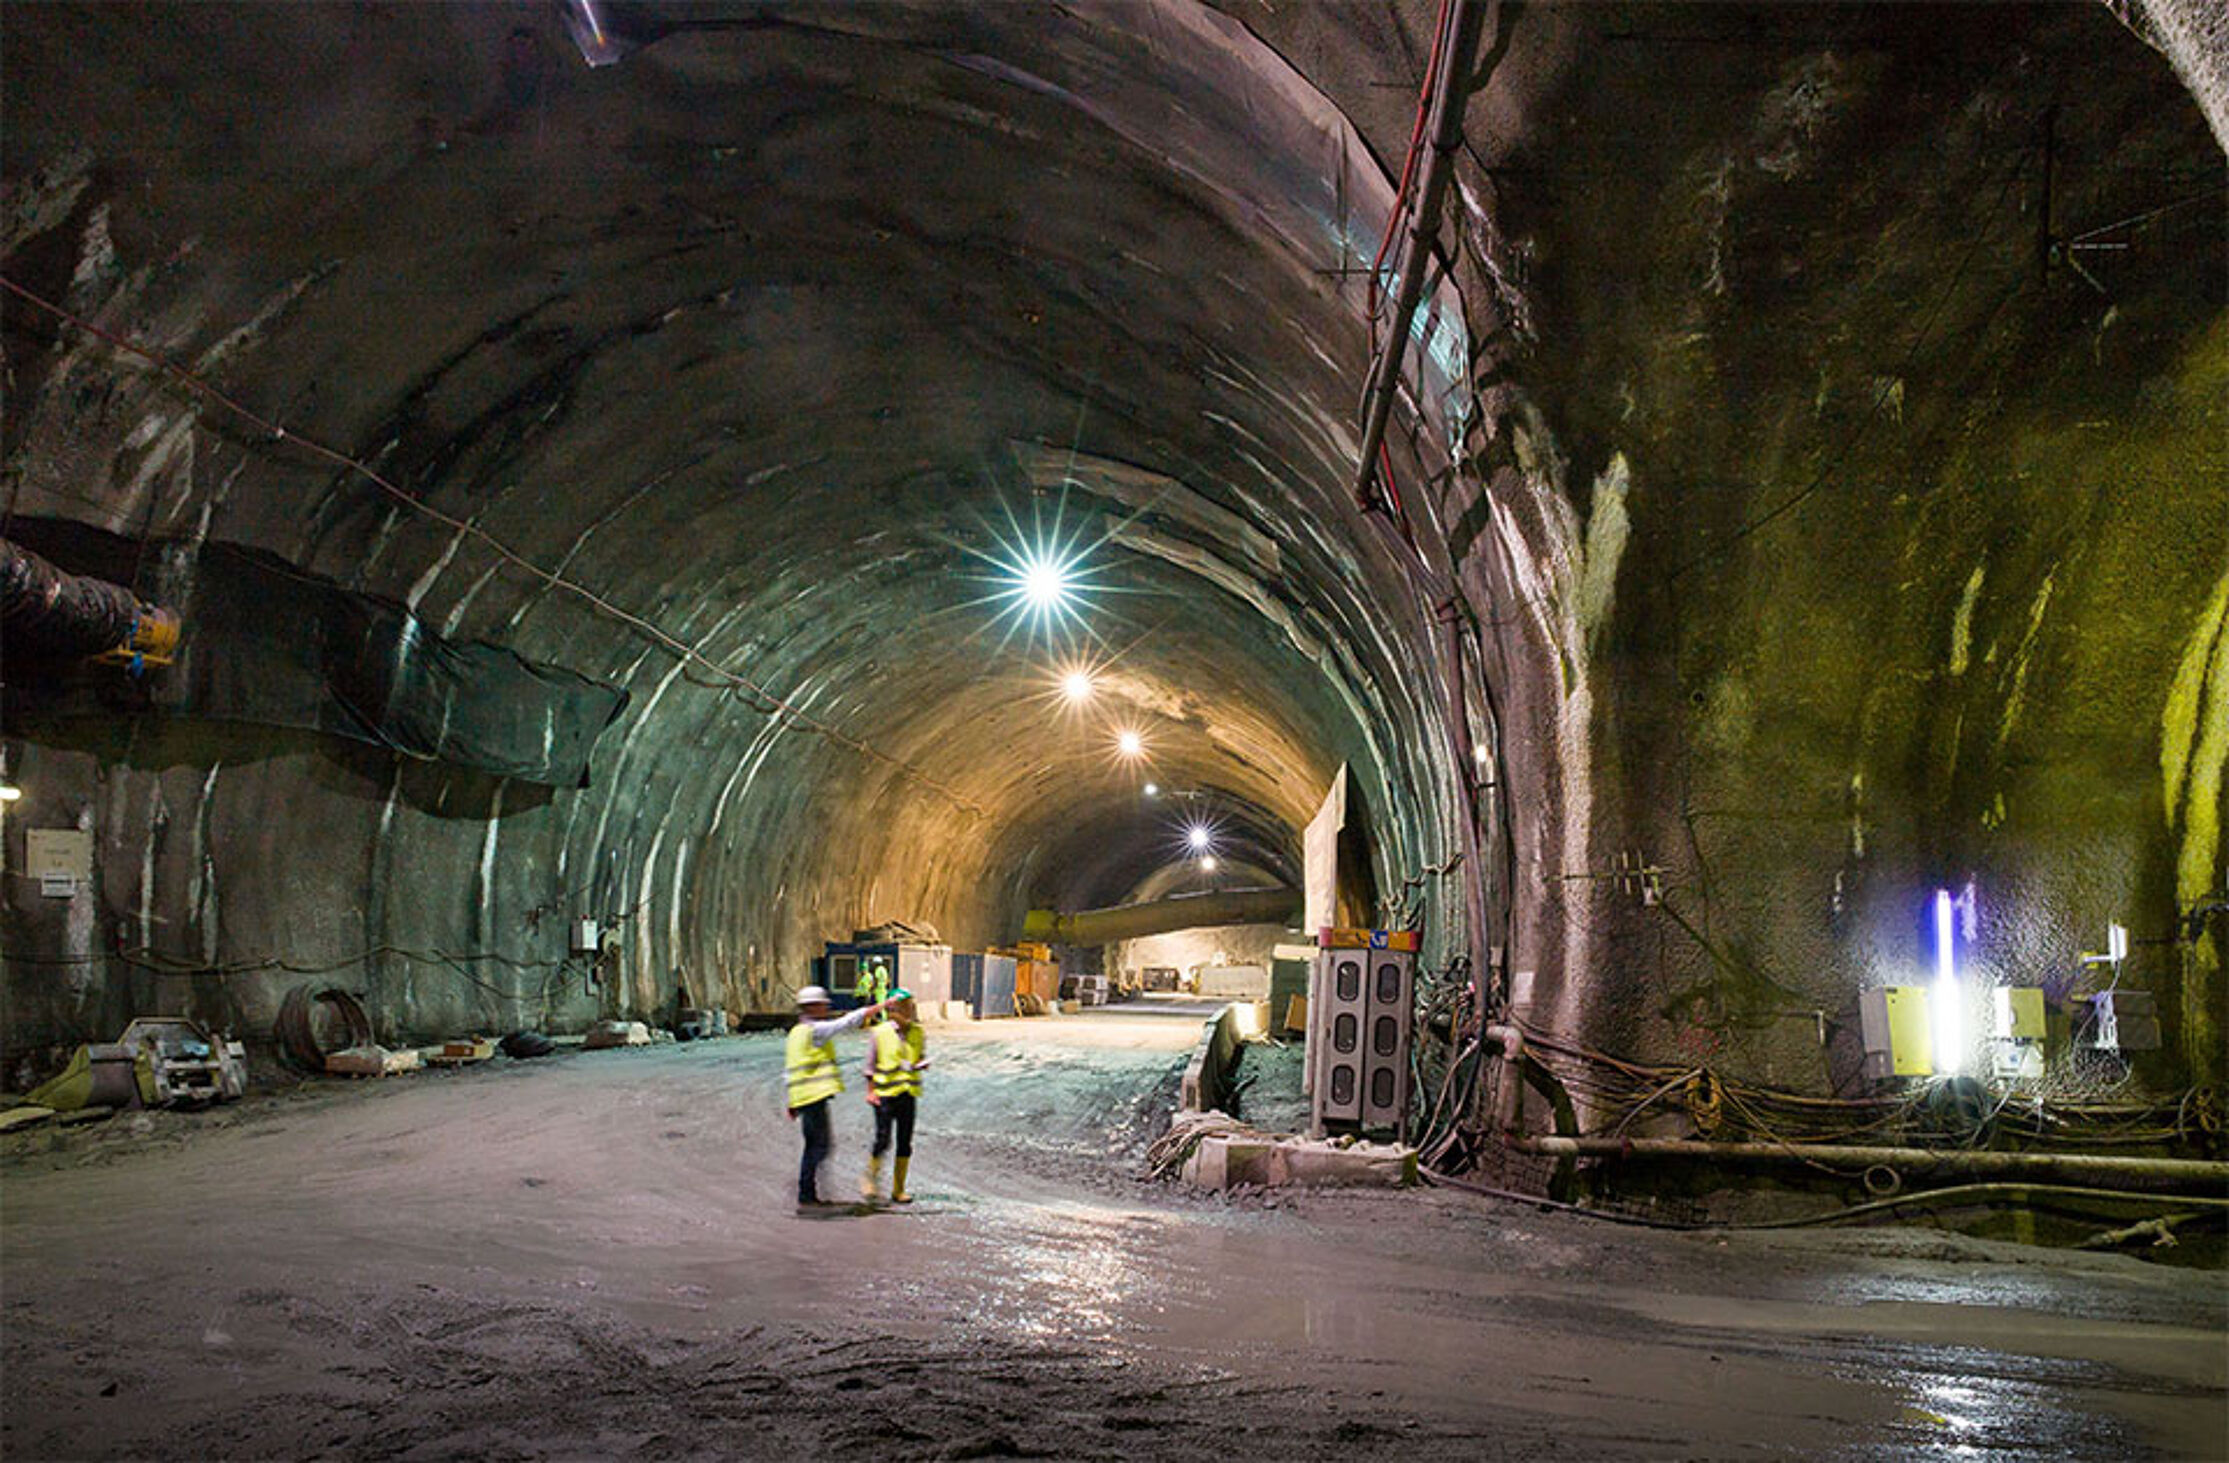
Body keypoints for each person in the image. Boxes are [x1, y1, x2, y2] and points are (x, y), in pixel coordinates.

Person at [787, 984, 891, 1213]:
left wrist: (792, 1102)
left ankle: (808, 1192)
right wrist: (879, 1007)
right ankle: (807, 1194)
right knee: (818, 1147)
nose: (826, 1009)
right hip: (813, 1098)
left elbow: (790, 1070)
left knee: (815, 1146)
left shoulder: (796, 1033)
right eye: (823, 1005)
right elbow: (846, 1022)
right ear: (812, 1007)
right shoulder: (815, 1030)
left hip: (804, 1098)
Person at [861, 990, 929, 1204]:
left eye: (911, 1006)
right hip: (884, 1095)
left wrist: (920, 1063)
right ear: (892, 1010)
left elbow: (918, 1056)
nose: (909, 1010)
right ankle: (870, 1179)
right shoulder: (879, 1033)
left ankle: (898, 1189)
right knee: (883, 1139)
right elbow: (869, 1067)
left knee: (905, 1142)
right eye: (904, 1006)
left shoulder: (918, 1032)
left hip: (908, 1094)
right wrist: (870, 1091)